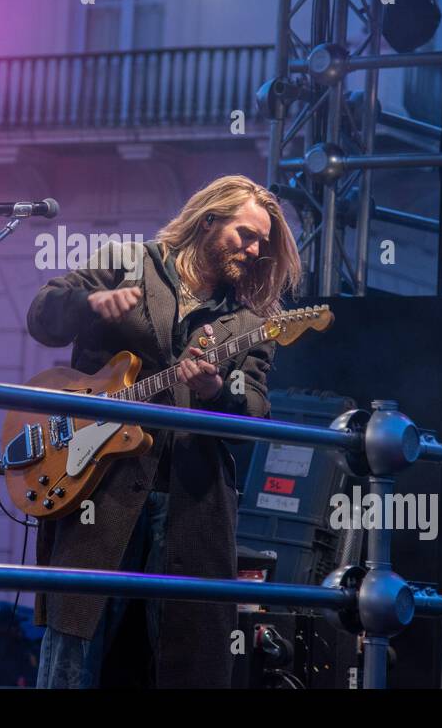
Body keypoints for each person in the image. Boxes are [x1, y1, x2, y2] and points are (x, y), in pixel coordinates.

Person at [26, 175, 301, 689]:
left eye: (263, 241)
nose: (256, 248)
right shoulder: (127, 260)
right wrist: (89, 304)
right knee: (73, 658)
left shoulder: (250, 322)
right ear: (209, 221)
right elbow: (42, 318)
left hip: (190, 508)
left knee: (186, 661)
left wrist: (219, 392)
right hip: (99, 494)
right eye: (247, 234)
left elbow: (253, 420)